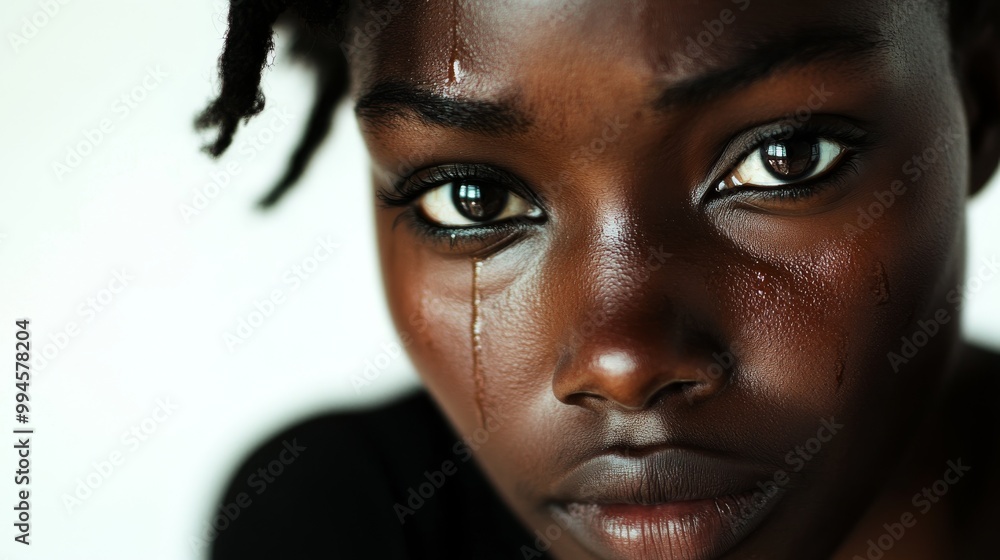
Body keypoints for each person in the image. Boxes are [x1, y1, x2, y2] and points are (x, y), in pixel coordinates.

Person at [197, 1, 1000, 558]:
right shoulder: (353, 518)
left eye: (782, 159)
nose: (622, 365)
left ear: (982, 103)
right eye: (472, 198)